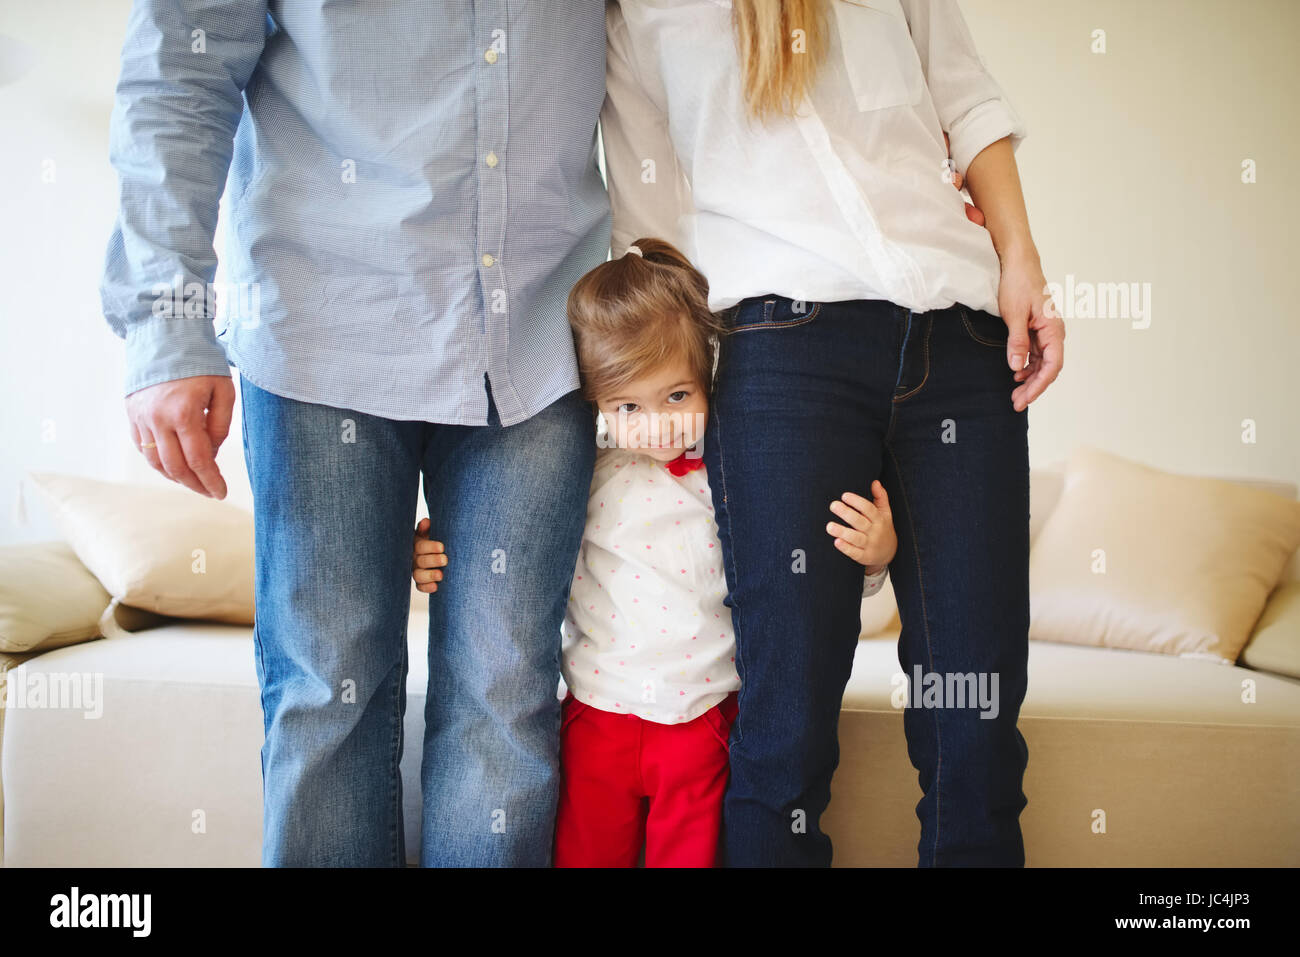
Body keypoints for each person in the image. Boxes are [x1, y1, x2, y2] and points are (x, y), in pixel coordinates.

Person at [101, 1, 611, 866]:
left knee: (508, 693)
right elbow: (180, 67)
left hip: (540, 318)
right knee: (325, 691)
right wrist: (165, 319)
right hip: (320, 317)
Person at [599, 0, 1066, 866]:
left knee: (977, 723)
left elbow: (964, 100)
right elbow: (648, 223)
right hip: (779, 359)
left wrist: (1022, 263)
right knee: (786, 728)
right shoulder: (641, 13)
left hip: (960, 336)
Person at [413, 237, 897, 866]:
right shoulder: (584, 472)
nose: (658, 424)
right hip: (596, 716)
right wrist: (432, 554)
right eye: (627, 406)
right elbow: (513, 549)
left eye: (677, 396)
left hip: (701, 722)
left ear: (709, 379)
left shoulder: (731, 476)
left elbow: (798, 580)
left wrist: (875, 558)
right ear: (597, 404)